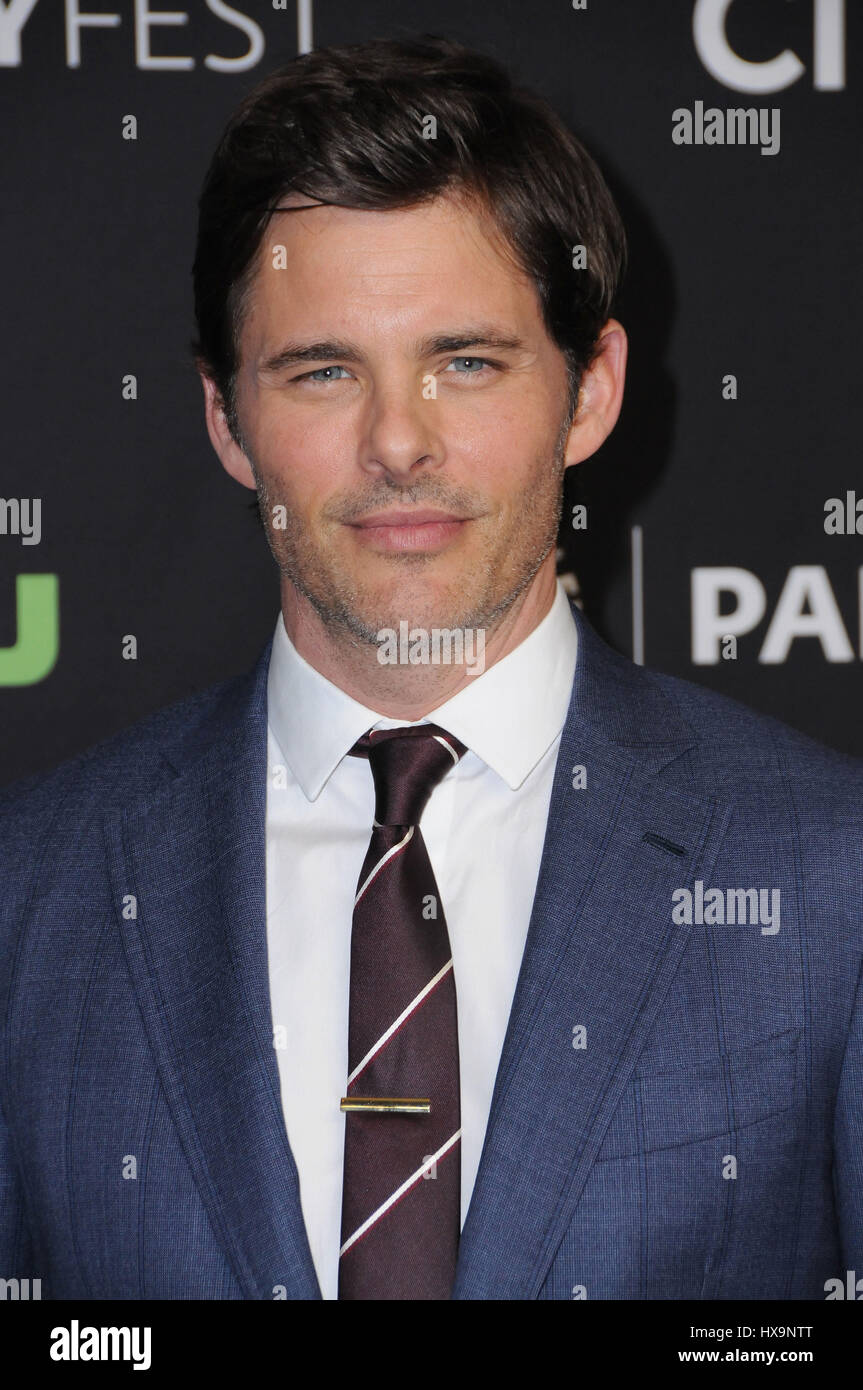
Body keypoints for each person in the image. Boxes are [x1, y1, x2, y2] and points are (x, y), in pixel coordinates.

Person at [1, 34, 861, 1302]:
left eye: (467, 361)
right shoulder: (32, 895)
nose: (398, 441)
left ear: (590, 390)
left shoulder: (827, 878)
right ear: (226, 418)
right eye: (323, 370)